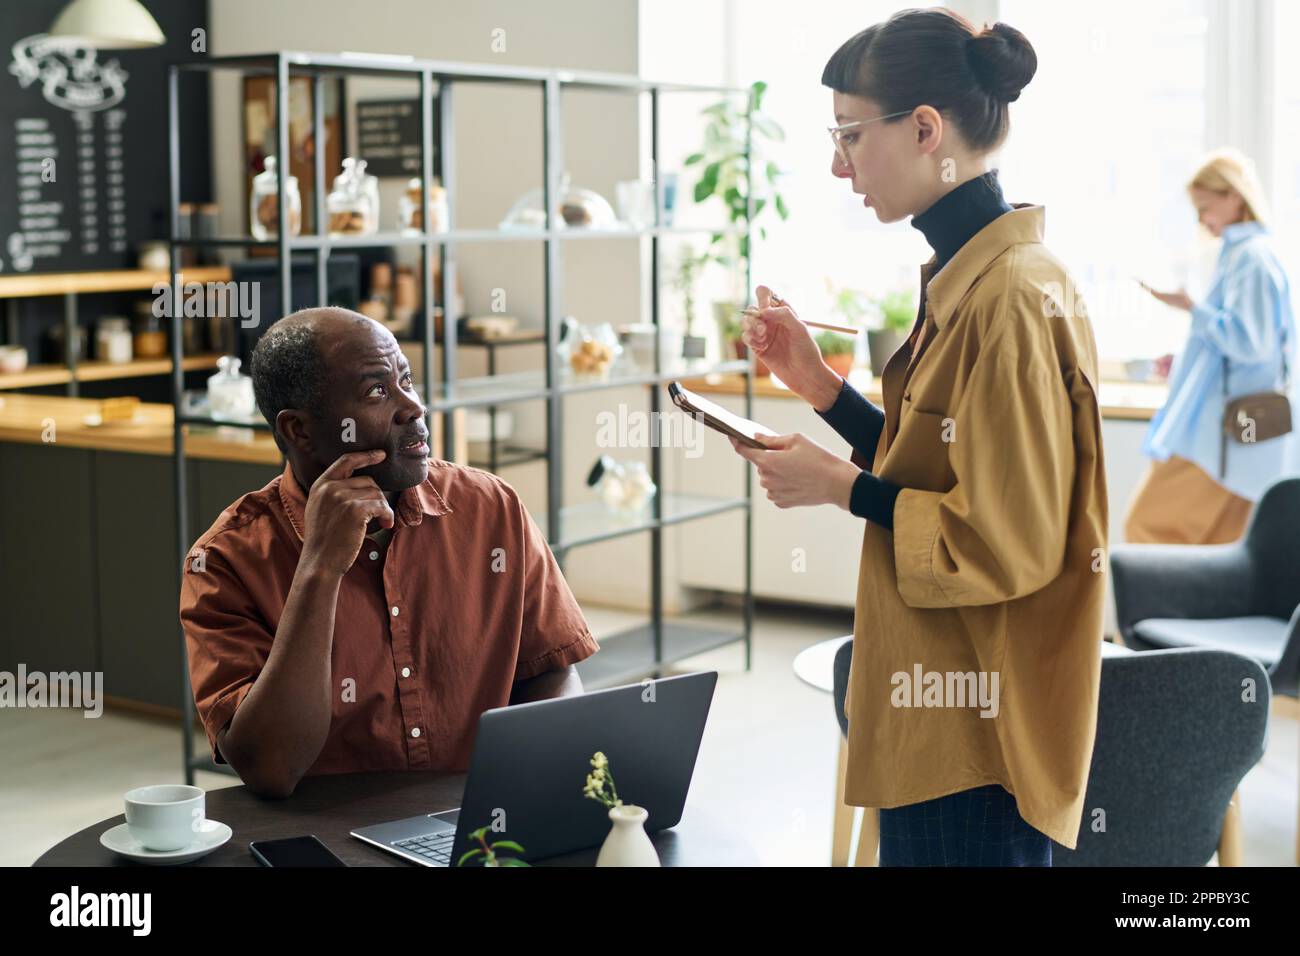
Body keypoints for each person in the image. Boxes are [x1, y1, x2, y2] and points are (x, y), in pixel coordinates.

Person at [728, 8, 1107, 865]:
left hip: (975, 742)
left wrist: (839, 486)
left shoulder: (1011, 296)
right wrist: (820, 386)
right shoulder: (973, 278)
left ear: (926, 129)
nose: (837, 165)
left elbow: (1002, 540)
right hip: (941, 717)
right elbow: (937, 462)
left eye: (851, 136)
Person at [179, 308, 598, 798]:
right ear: (299, 431)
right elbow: (271, 766)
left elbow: (551, 673)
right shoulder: (224, 561)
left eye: (407, 380)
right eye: (377, 391)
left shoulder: (491, 508)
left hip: (478, 824)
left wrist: (526, 783)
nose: (413, 407)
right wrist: (319, 568)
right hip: (327, 839)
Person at [1127, 149, 1297, 544]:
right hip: (1238, 436)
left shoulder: (1250, 258)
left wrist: (1192, 309)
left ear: (1234, 197)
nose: (1202, 219)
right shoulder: (1246, 254)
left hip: (1220, 433)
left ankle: (1158, 606)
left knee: (1147, 528)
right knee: (1220, 544)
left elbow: (1250, 343)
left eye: (1206, 207)